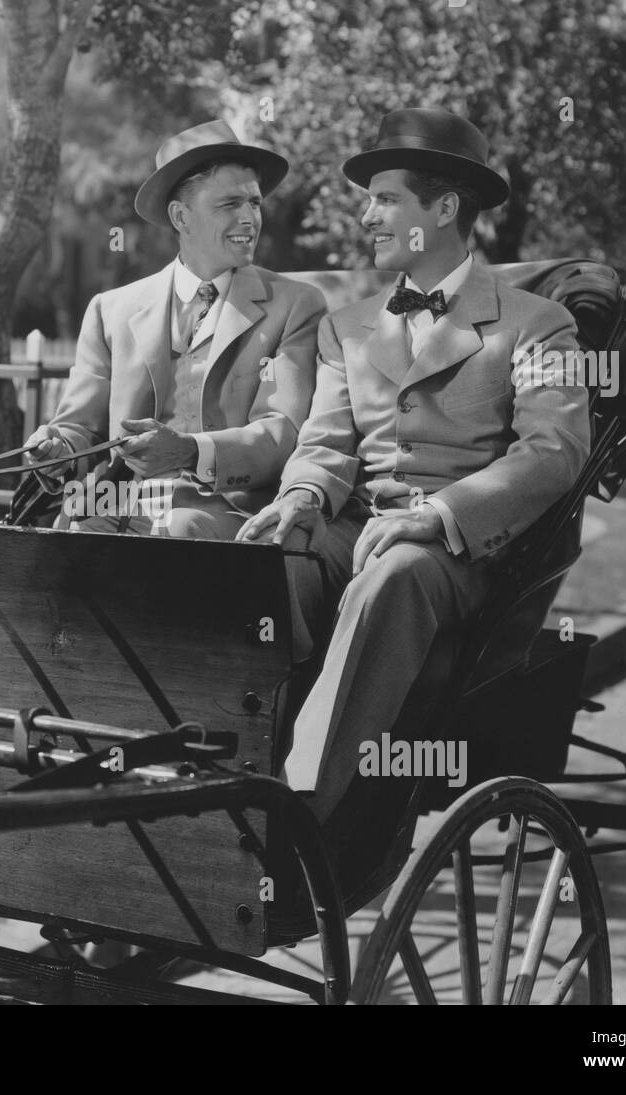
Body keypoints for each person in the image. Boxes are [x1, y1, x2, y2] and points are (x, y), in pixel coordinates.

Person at [239, 108, 591, 822]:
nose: (366, 216)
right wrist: (304, 495)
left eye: (385, 199)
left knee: (396, 574)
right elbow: (328, 443)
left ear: (444, 207)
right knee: (263, 560)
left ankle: (297, 814)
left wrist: (436, 516)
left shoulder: (538, 324)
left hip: (464, 557)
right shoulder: (348, 326)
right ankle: (223, 781)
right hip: (356, 529)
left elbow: (555, 451)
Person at [27, 121, 326, 538]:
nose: (249, 218)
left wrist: (191, 451)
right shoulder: (110, 310)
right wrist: (58, 450)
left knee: (177, 533)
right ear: (180, 216)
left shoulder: (295, 305)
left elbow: (281, 433)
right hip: (115, 505)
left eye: (254, 204)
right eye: (229, 205)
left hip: (222, 510)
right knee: (70, 536)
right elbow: (82, 430)